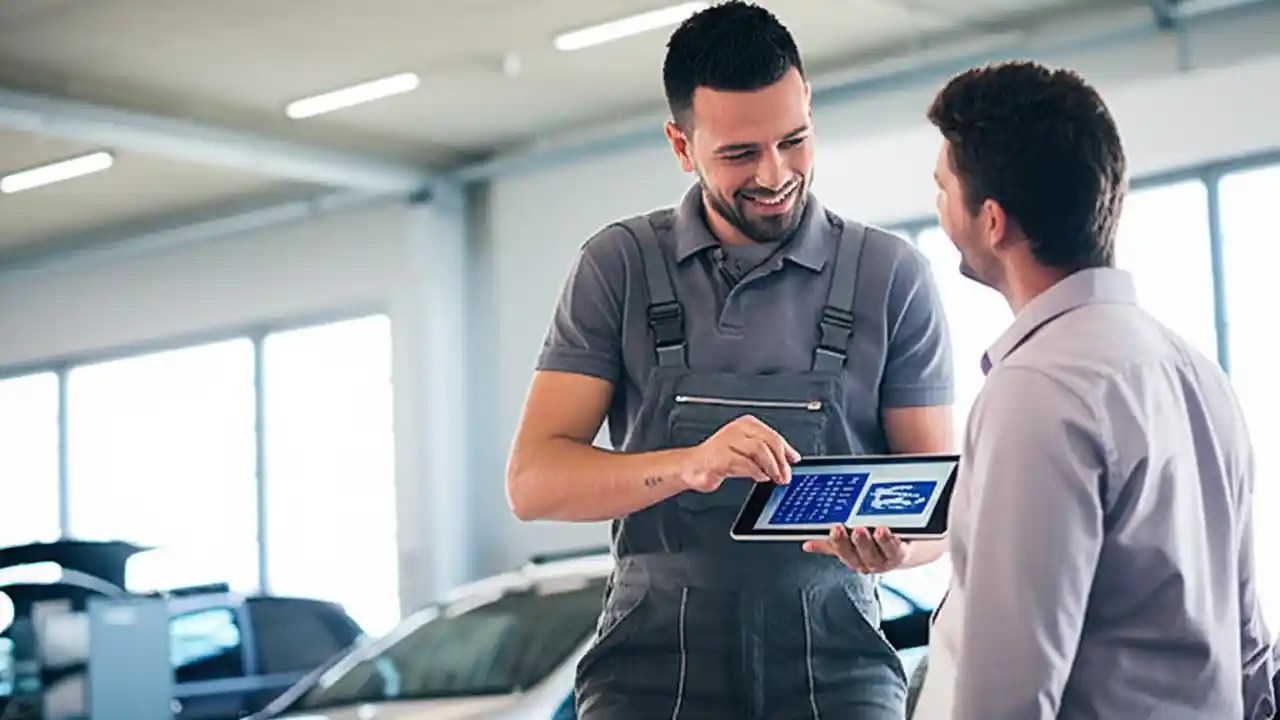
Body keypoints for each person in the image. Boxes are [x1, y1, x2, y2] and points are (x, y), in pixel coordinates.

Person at [505, 2, 956, 717]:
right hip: (651, 669)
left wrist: (897, 552)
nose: (775, 174)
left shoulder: (889, 276)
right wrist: (688, 464)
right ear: (681, 146)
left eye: (794, 140)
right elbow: (533, 483)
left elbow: (938, 510)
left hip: (837, 668)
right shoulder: (618, 267)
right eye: (740, 154)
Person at [911, 60, 1277, 719]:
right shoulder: (1196, 373)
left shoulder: (1036, 390)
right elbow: (1250, 646)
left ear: (992, 221)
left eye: (943, 188)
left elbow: (1008, 691)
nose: (938, 208)